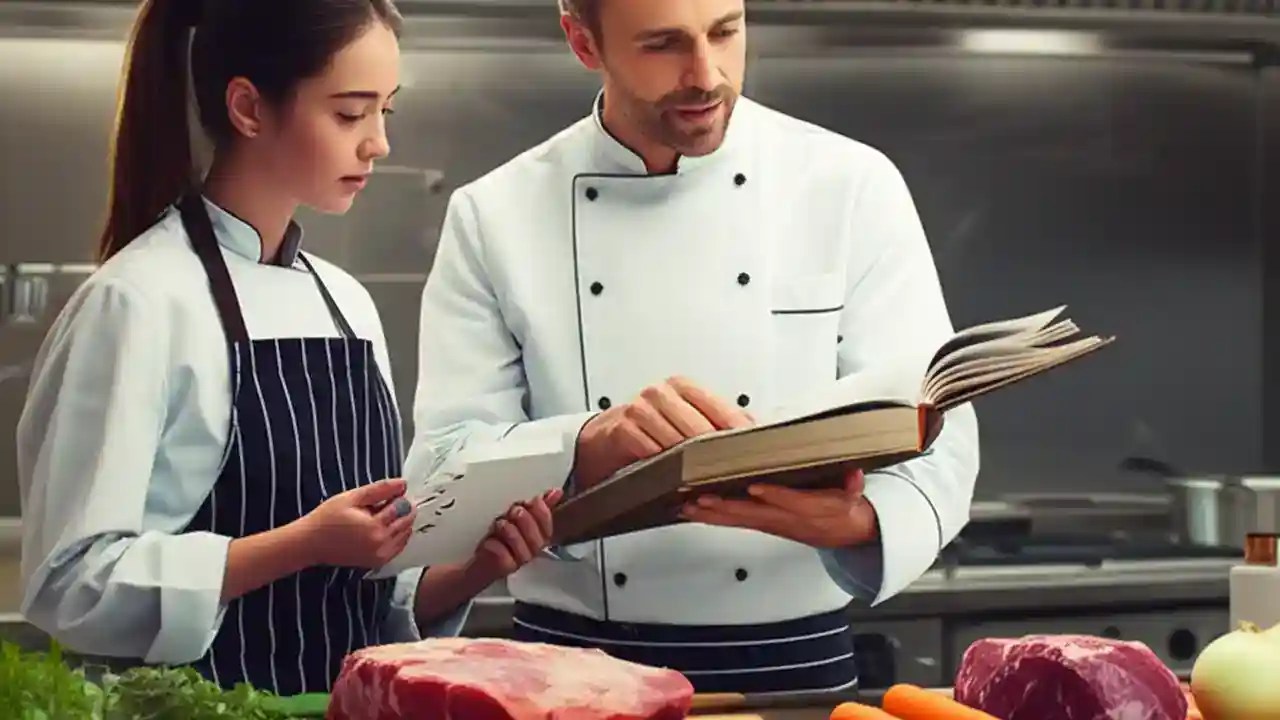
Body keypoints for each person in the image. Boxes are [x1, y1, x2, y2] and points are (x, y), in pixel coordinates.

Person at [405, 0, 981, 695]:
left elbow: (941, 422)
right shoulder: (493, 216)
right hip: (572, 670)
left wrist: (860, 520)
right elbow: (442, 471)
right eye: (663, 44)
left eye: (725, 32)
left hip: (795, 665)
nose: (706, 74)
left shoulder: (850, 186)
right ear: (582, 41)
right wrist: (587, 442)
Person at [15, 0, 560, 696]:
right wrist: (302, 543)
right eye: (349, 113)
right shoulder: (138, 302)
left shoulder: (348, 306)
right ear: (247, 107)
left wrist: (476, 568)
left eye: (384, 111)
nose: (378, 144)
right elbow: (69, 586)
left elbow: (362, 605)